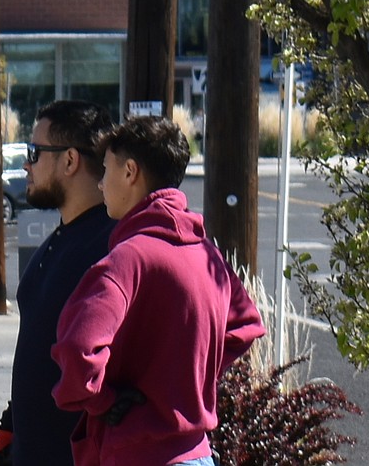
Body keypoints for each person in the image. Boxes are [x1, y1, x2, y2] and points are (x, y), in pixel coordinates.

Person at [51, 116, 266, 466]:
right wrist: (191, 378)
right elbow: (245, 324)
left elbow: (77, 348)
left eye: (106, 170)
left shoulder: (127, 259)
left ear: (130, 172)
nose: (102, 185)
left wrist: (104, 399)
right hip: (198, 453)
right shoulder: (206, 253)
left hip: (139, 452)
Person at [0, 100, 117, 466]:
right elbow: (38, 346)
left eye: (35, 152)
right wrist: (9, 429)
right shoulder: (59, 238)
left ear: (70, 160)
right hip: (30, 451)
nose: (26, 164)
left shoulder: (112, 247)